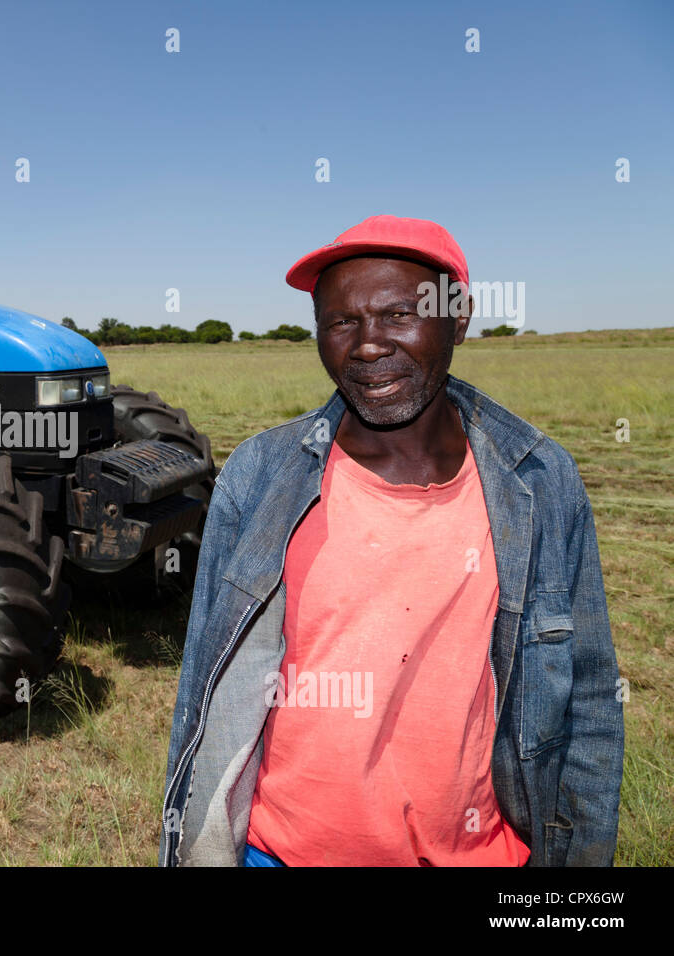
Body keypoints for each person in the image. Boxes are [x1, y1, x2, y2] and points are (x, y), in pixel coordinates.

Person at [160, 215, 624, 867]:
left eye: (398, 314)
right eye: (342, 322)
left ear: (457, 319)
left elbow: (591, 702)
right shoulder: (260, 477)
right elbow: (201, 698)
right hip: (280, 854)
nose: (368, 346)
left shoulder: (541, 482)